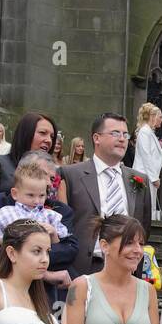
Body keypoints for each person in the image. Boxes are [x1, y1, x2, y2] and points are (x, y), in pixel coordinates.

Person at [58, 112, 151, 277]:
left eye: (125, 134)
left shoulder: (139, 180)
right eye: (115, 133)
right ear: (96, 138)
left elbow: (144, 227)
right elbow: (62, 226)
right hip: (83, 269)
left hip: (127, 271)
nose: (122, 139)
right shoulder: (70, 175)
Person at [0, 111, 55, 200]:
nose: (49, 140)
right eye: (42, 133)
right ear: (25, 134)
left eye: (52, 136)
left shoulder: (51, 172)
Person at [0, 158, 71, 246]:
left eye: (41, 195)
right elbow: (0, 243)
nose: (37, 201)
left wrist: (53, 234)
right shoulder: (6, 213)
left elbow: (60, 246)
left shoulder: (50, 216)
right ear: (15, 194)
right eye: (30, 195)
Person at [133, 102, 162, 221]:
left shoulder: (149, 132)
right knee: (144, 208)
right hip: (144, 176)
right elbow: (146, 156)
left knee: (148, 208)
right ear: (152, 116)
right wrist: (154, 177)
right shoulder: (145, 132)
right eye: (160, 117)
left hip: (148, 177)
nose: (161, 120)